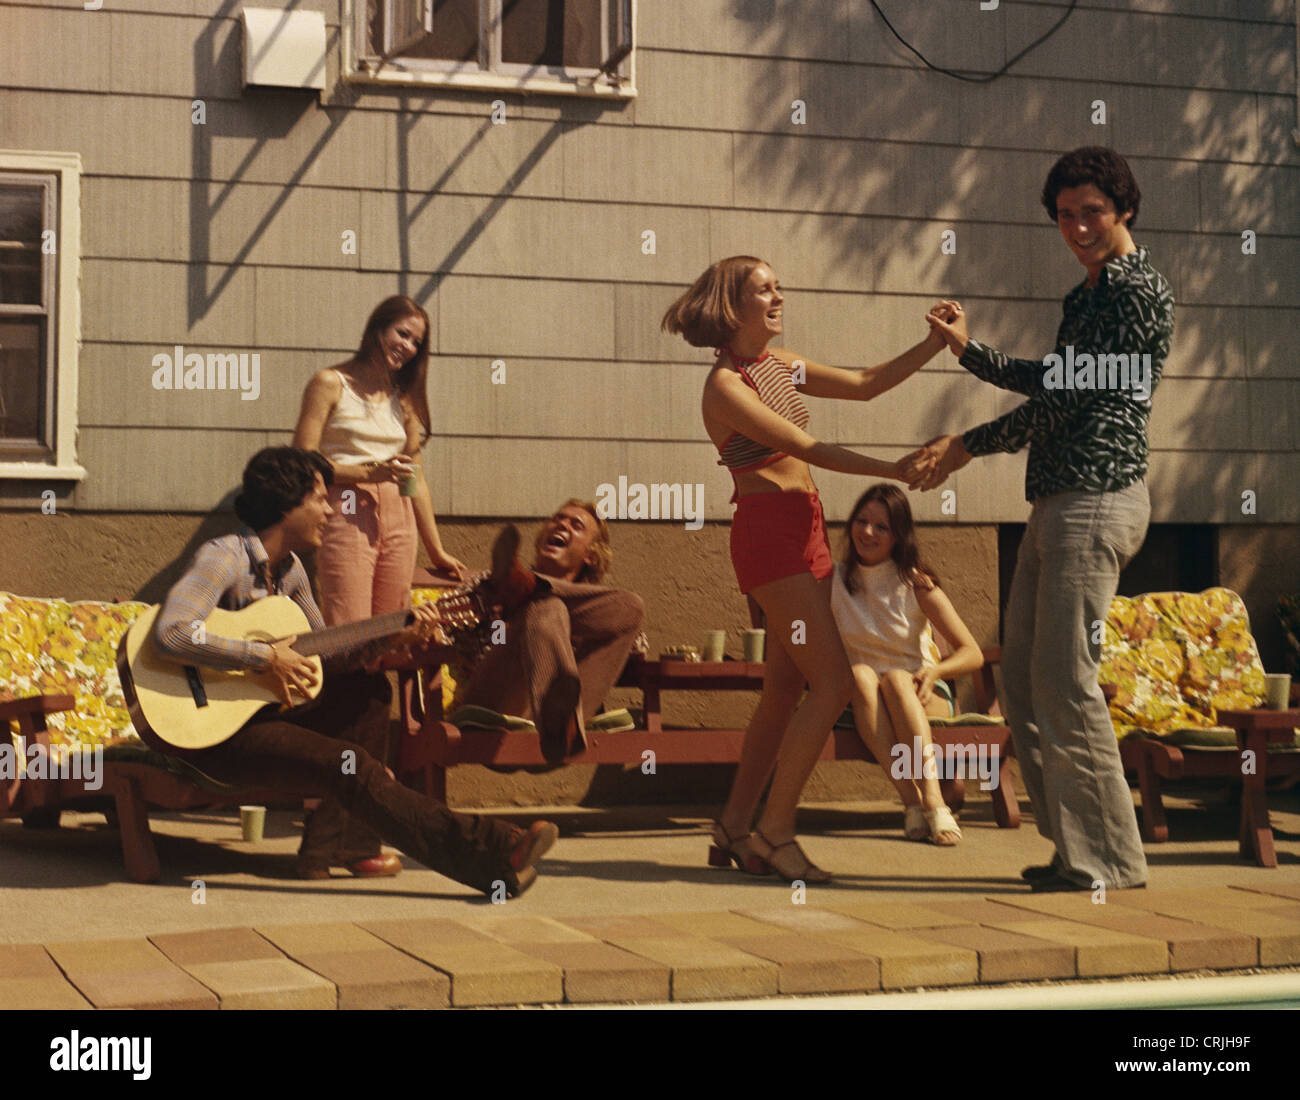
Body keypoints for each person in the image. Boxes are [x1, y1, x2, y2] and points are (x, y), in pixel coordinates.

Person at [907, 147, 1174, 893]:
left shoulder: (1134, 291)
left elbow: (1069, 401)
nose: (1078, 226)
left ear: (1123, 209)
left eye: (1091, 210)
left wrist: (966, 446)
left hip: (1095, 501)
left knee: (1066, 682)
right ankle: (1074, 851)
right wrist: (970, 353)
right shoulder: (1084, 297)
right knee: (1023, 678)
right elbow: (1054, 378)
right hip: (1056, 503)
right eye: (1064, 214)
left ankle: (1109, 862)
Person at [660, 255, 952, 883]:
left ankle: (734, 827)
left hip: (809, 533)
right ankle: (776, 832)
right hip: (771, 542)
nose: (778, 296)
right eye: (764, 289)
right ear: (732, 307)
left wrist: (932, 342)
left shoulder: (781, 366)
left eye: (778, 286)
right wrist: (892, 471)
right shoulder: (726, 386)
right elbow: (804, 448)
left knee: (783, 692)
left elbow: (868, 382)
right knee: (835, 682)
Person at [152, 446, 556, 896]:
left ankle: (335, 848)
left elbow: (327, 656)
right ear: (288, 503)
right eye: (321, 498)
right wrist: (264, 657)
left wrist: (392, 637)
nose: (330, 510)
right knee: (352, 767)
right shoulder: (223, 556)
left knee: (367, 690)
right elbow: (172, 633)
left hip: (264, 713)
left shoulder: (292, 574)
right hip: (209, 731)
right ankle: (496, 849)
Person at [293, 295, 467, 628]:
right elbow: (301, 460)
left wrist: (436, 549)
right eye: (402, 334)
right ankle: (347, 680)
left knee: (393, 624)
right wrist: (371, 473)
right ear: (377, 329)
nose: (410, 347)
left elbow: (415, 477)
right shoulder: (330, 383)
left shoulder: (403, 399)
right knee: (350, 623)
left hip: (399, 513)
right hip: (347, 506)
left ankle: (377, 679)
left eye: (417, 342)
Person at [831, 484, 983, 846]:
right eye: (862, 521)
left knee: (897, 681)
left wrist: (935, 671)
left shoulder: (916, 584)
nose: (867, 532)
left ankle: (932, 798)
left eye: (881, 527)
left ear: (898, 536)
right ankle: (911, 799)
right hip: (863, 693)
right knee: (862, 676)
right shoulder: (833, 581)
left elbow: (971, 652)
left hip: (920, 689)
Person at [457, 501, 645, 764]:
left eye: (575, 525)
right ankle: (554, 722)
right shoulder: (495, 582)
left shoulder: (598, 605)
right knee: (547, 608)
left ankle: (559, 725)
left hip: (568, 723)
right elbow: (444, 620)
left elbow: (634, 644)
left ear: (591, 555)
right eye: (557, 519)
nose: (561, 525)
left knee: (632, 606)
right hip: (495, 705)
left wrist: (572, 634)